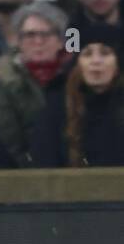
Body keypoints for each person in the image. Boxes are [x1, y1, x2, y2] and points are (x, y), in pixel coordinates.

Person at [0, 2, 73, 166]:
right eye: (30, 35)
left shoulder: (75, 76)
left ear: (60, 41)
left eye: (46, 34)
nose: (38, 41)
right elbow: (7, 142)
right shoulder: (5, 80)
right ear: (19, 41)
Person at [29, 24, 124, 167]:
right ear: (78, 63)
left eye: (105, 53)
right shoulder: (57, 109)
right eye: (87, 54)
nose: (96, 61)